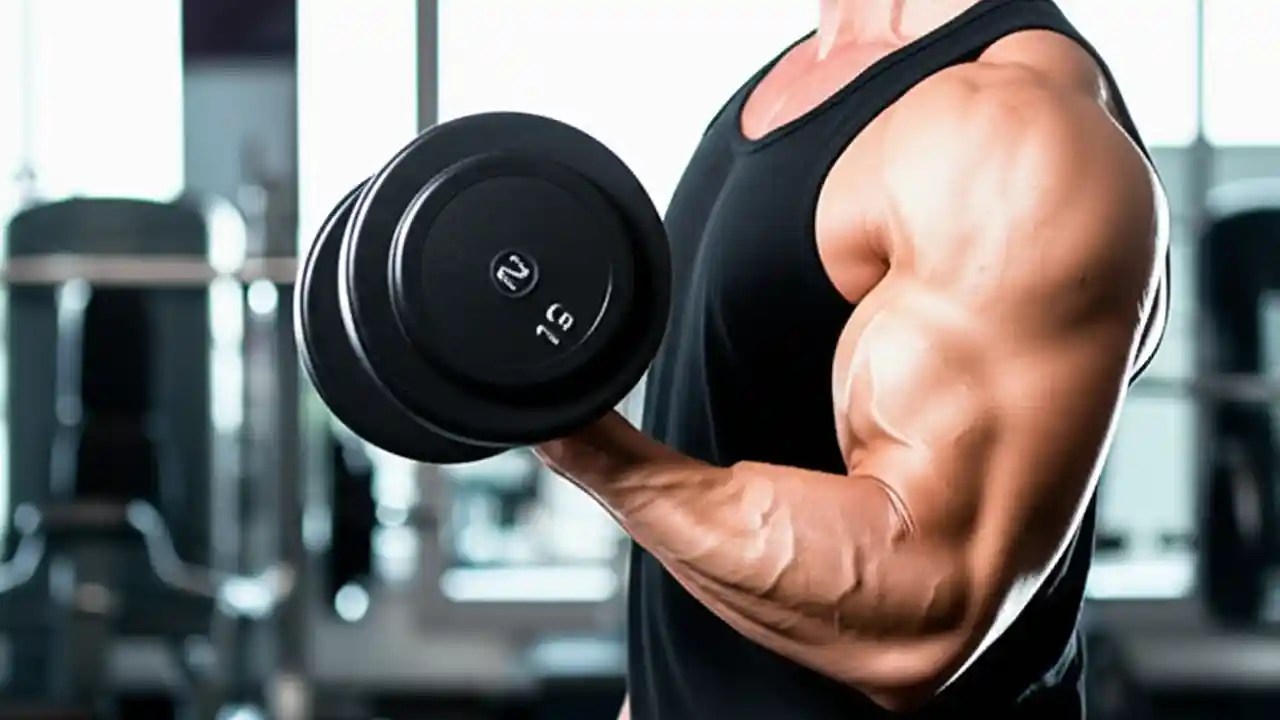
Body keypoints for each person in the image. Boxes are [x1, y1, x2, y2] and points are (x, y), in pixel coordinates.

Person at [536, 0, 1169, 717]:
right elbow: (693, 620)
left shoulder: (1015, 129)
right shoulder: (782, 89)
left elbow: (928, 602)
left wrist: (592, 451)